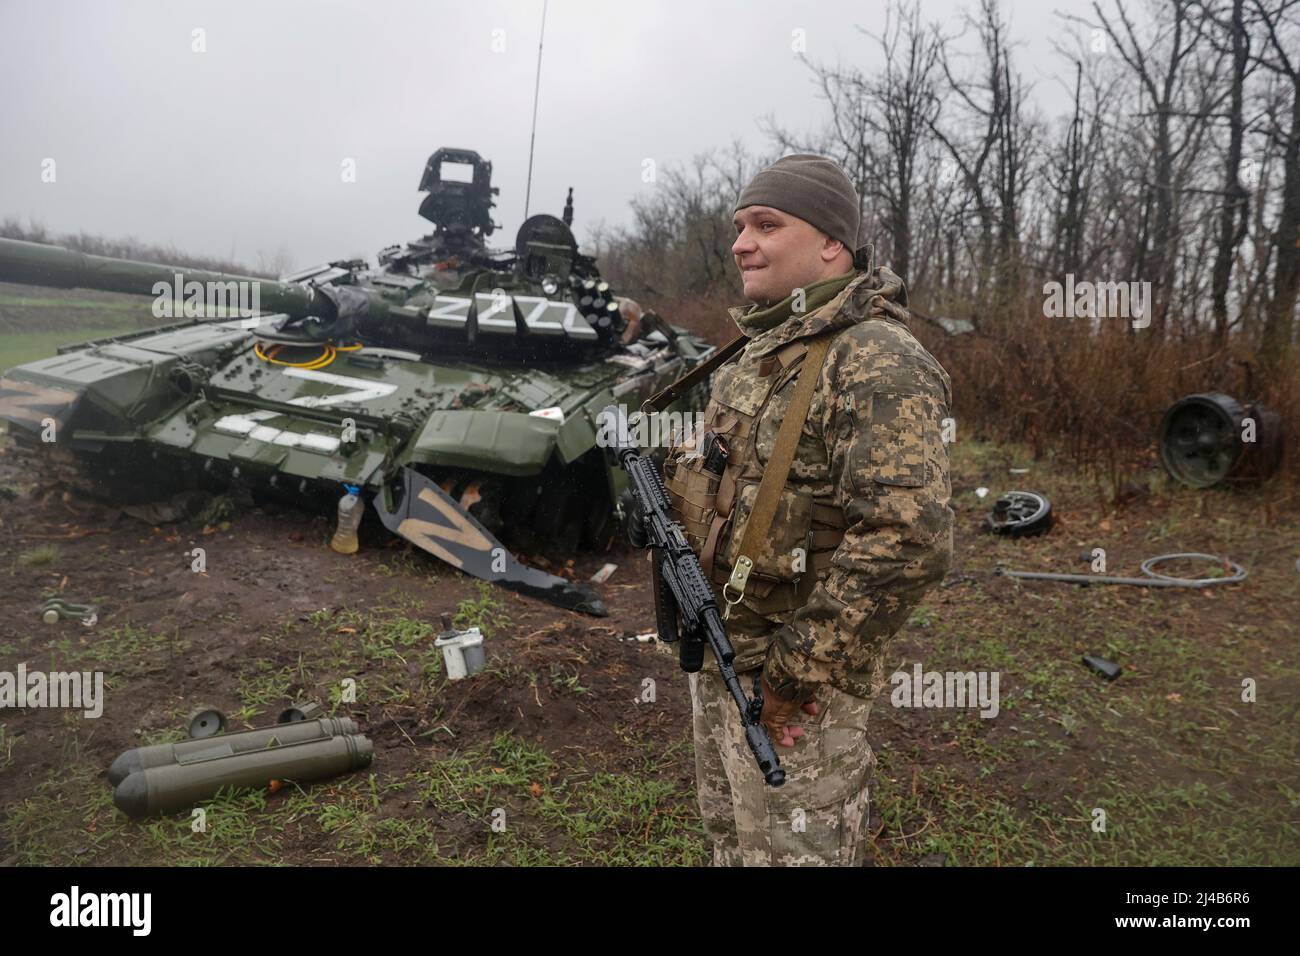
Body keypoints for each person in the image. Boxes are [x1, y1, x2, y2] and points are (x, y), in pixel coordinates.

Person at [658, 153, 954, 866]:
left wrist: (797, 676)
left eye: (766, 224)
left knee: (795, 850)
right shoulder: (759, 348)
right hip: (725, 650)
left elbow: (907, 537)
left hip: (795, 688)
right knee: (729, 835)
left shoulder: (874, 358)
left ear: (831, 243)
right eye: (738, 226)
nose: (740, 242)